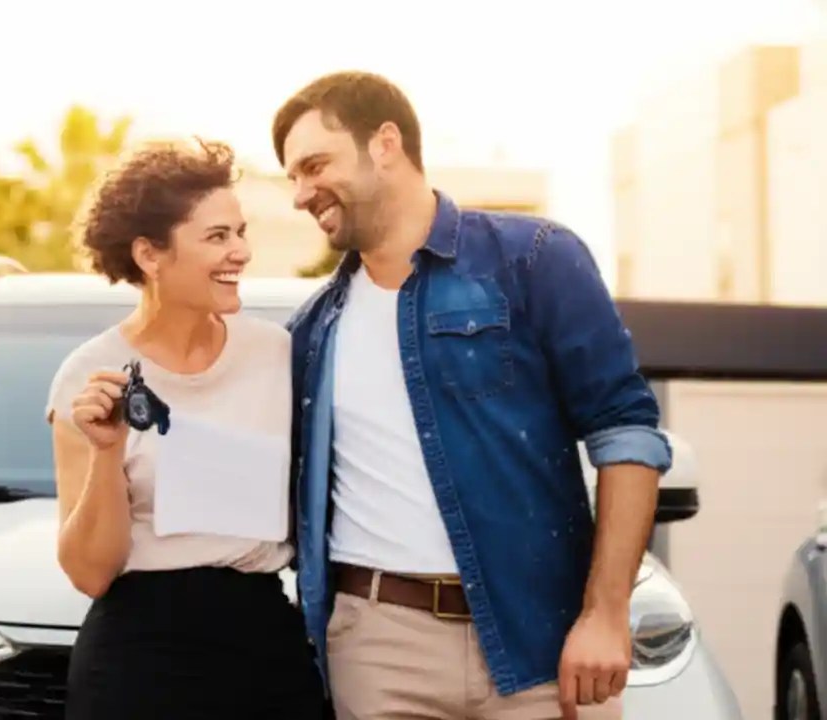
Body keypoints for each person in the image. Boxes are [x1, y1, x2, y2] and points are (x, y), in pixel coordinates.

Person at [273, 71, 674, 720]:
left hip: (544, 643)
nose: (299, 194)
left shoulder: (534, 260)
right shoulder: (312, 332)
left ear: (385, 143)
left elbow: (626, 431)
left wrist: (606, 613)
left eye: (314, 165)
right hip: (379, 652)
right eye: (291, 176)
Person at [45, 138, 325, 719]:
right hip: (138, 661)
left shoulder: (278, 354)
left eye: (240, 232)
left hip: (265, 648)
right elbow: (90, 572)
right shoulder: (87, 375)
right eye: (217, 237)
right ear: (150, 255)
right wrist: (107, 451)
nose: (241, 252)